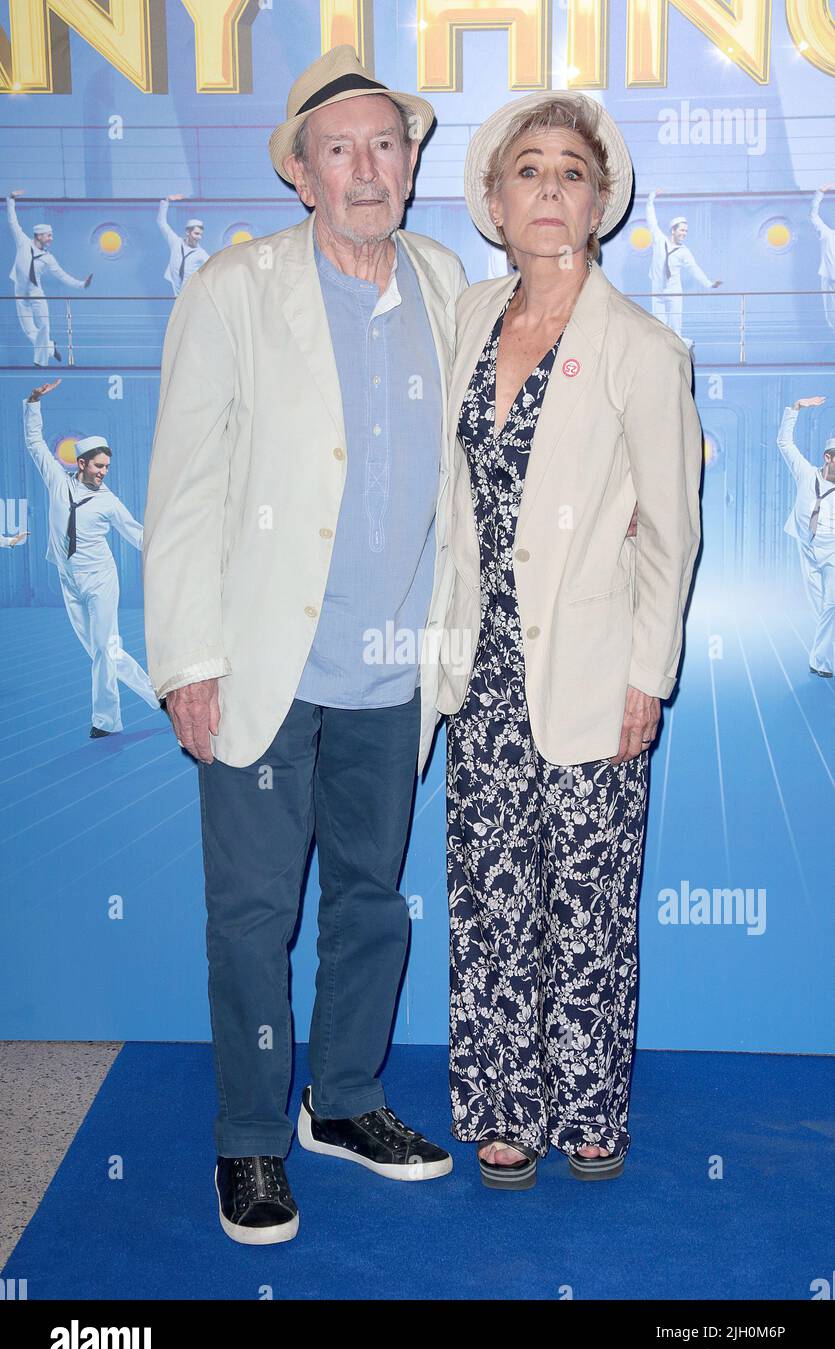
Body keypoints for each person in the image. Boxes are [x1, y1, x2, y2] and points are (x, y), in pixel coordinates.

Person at [142, 45, 468, 1246]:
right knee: (251, 916)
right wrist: (186, 659)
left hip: (394, 672)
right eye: (342, 148)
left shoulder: (441, 279)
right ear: (299, 174)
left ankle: (346, 1102)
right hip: (261, 673)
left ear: (411, 162)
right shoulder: (234, 290)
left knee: (372, 904)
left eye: (388, 144)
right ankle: (247, 1143)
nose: (369, 166)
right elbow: (179, 489)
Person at [436, 92, 703, 1189]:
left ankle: (590, 1107)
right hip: (478, 666)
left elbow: (671, 534)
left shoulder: (643, 347)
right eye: (528, 171)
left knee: (586, 902)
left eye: (570, 173)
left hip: (594, 666)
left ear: (600, 203)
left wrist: (649, 672)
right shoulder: (463, 319)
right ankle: (504, 1104)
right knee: (489, 891)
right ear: (494, 202)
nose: (549, 190)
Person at [23, 380, 162, 736]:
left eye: (106, 467)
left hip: (100, 580)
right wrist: (33, 403)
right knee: (103, 653)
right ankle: (157, 696)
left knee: (104, 650)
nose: (103, 472)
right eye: (98, 466)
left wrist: (174, 552)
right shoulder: (58, 482)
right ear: (80, 463)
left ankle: (106, 722)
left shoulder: (109, 502)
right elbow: (35, 444)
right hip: (68, 580)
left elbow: (137, 534)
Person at [777, 395, 835, 677]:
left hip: (833, 552)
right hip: (806, 547)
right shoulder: (806, 473)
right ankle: (824, 655)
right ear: (828, 457)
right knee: (820, 608)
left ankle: (821, 662)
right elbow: (784, 444)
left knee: (832, 604)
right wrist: (795, 408)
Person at [7, 191, 92, 365]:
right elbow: (12, 222)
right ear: (39, 236)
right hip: (19, 290)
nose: (51, 239)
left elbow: (62, 275)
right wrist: (11, 199)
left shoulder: (48, 258)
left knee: (44, 326)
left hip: (35, 290)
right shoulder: (23, 242)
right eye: (48, 236)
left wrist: (82, 285)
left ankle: (40, 362)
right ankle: (51, 349)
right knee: (28, 329)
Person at [646, 187, 720, 348]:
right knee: (659, 324)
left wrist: (709, 283)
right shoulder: (660, 240)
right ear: (673, 230)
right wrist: (651, 198)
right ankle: (662, 350)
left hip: (674, 291)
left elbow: (695, 269)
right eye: (682, 230)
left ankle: (679, 347)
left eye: (686, 231)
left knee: (675, 323)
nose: (684, 233)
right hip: (657, 290)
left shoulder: (684, 252)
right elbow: (652, 220)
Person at [156, 195, 209, 296]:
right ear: (187, 232)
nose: (199, 237)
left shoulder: (201, 254)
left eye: (201, 234)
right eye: (196, 234)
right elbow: (161, 223)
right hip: (173, 290)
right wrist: (166, 202)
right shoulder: (176, 243)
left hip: (189, 294)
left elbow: (212, 268)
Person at [810, 186, 835, 333]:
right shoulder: (827, 233)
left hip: (828, 275)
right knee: (829, 310)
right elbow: (813, 215)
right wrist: (819, 193)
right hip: (828, 275)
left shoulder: (827, 234)